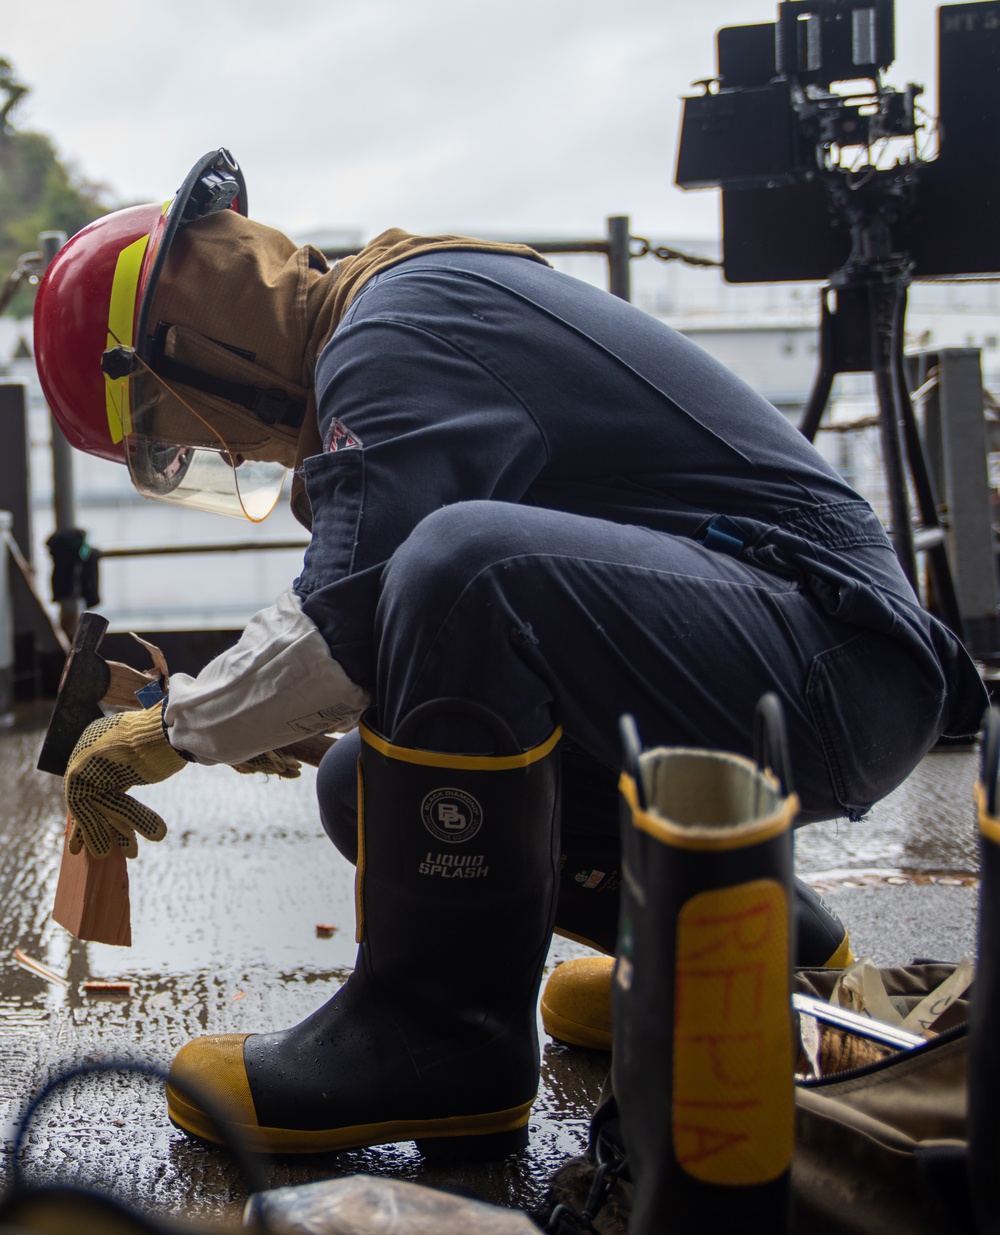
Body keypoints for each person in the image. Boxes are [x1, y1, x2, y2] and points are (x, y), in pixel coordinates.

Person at [33, 149, 989, 1156]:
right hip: (778, 652)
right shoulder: (394, 313)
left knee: (466, 564)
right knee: (364, 782)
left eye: (165, 424)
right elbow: (398, 639)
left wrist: (171, 726)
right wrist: (288, 705)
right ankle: (725, 949)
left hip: (835, 659)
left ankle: (437, 1041)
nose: (226, 453)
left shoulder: (388, 333)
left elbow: (360, 602)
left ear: (185, 339)